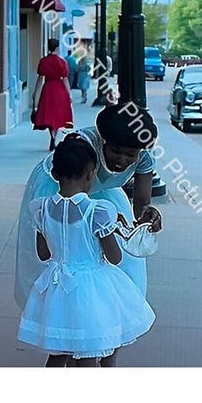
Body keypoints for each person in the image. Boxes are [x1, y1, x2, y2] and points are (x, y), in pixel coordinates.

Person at [17, 134, 155, 367]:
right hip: (92, 289)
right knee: (90, 349)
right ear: (92, 175)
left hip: (58, 288)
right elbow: (115, 257)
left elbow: (44, 254)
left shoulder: (41, 209)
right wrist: (111, 231)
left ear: (55, 174)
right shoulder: (98, 212)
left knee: (59, 350)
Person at [15, 102, 162, 321]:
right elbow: (70, 193)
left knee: (119, 269)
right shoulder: (82, 147)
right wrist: (106, 219)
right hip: (62, 187)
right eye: (115, 151)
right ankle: (64, 321)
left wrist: (147, 215)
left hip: (101, 195)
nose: (122, 160)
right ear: (103, 141)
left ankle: (103, 321)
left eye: (130, 154)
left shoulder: (143, 159)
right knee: (67, 257)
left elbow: (141, 203)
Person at [31, 38, 74, 151]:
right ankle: (54, 136)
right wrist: (69, 94)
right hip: (59, 90)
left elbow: (40, 79)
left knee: (50, 115)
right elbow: (65, 79)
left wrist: (35, 93)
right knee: (57, 115)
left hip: (48, 89)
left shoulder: (43, 61)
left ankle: (52, 136)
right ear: (57, 47)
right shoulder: (62, 62)